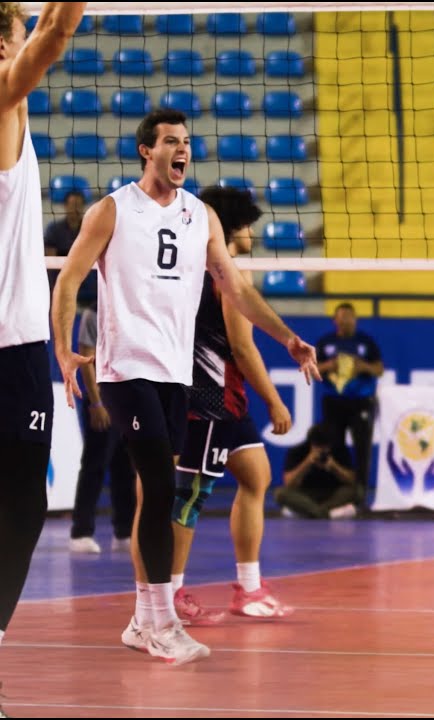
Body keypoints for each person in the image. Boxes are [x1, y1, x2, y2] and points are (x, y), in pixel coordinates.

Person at [51, 108, 320, 666]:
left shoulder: (202, 217)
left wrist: (290, 338)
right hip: (126, 370)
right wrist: (62, 348)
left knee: (165, 489)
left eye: (187, 142)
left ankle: (139, 620)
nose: (183, 151)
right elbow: (69, 280)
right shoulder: (113, 210)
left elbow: (236, 289)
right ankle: (160, 619)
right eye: (171, 142)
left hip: (177, 375)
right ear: (145, 151)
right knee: (157, 479)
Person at [0, 0, 87, 674]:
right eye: (16, 31)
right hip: (10, 345)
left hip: (20, 342)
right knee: (23, 501)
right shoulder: (4, 96)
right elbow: (57, 33)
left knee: (23, 502)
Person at [166, 186, 297, 626]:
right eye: (247, 226)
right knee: (189, 498)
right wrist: (276, 401)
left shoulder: (199, 266)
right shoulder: (226, 274)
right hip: (208, 398)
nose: (252, 234)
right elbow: (243, 347)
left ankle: (248, 586)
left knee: (256, 476)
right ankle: (170, 595)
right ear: (229, 226)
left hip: (226, 397)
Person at [68, 301, 136, 554]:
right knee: (95, 466)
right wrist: (96, 402)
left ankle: (124, 532)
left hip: (125, 399)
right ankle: (81, 532)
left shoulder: (128, 308)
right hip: (103, 399)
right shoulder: (92, 314)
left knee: (125, 469)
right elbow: (86, 360)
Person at [316, 302, 383, 506]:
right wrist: (330, 365)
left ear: (356, 319)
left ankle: (360, 492)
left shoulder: (366, 342)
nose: (345, 320)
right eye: (341, 316)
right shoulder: (325, 343)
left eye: (349, 316)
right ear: (334, 320)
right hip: (334, 401)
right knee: (334, 446)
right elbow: (314, 369)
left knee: (362, 447)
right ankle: (337, 492)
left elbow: (379, 369)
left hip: (361, 402)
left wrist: (362, 366)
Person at [277, 424, 361, 519]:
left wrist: (335, 467)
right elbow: (288, 483)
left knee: (358, 492)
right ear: (311, 443)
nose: (321, 451)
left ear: (331, 445)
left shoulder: (340, 450)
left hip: (333, 493)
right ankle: (329, 514)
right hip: (306, 494)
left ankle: (310, 512)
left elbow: (352, 481)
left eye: (325, 447)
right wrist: (307, 463)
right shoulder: (297, 451)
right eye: (318, 446)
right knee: (280, 493)